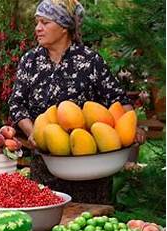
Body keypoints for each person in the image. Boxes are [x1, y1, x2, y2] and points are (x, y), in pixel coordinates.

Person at [9, 0, 146, 147]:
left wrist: (133, 128)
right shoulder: (30, 60)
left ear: (64, 27)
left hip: (83, 153)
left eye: (45, 22)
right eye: (37, 22)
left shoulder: (90, 61)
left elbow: (118, 100)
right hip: (42, 153)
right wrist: (32, 132)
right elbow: (16, 103)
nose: (38, 28)